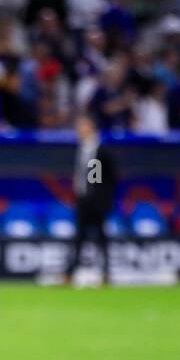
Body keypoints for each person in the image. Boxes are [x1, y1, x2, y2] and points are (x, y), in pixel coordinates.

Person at [64, 114, 117, 285]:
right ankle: (70, 273)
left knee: (101, 238)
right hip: (83, 200)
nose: (79, 130)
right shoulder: (82, 149)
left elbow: (107, 178)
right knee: (79, 237)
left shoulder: (100, 150)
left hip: (97, 202)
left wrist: (102, 198)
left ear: (91, 128)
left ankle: (106, 273)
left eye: (83, 126)